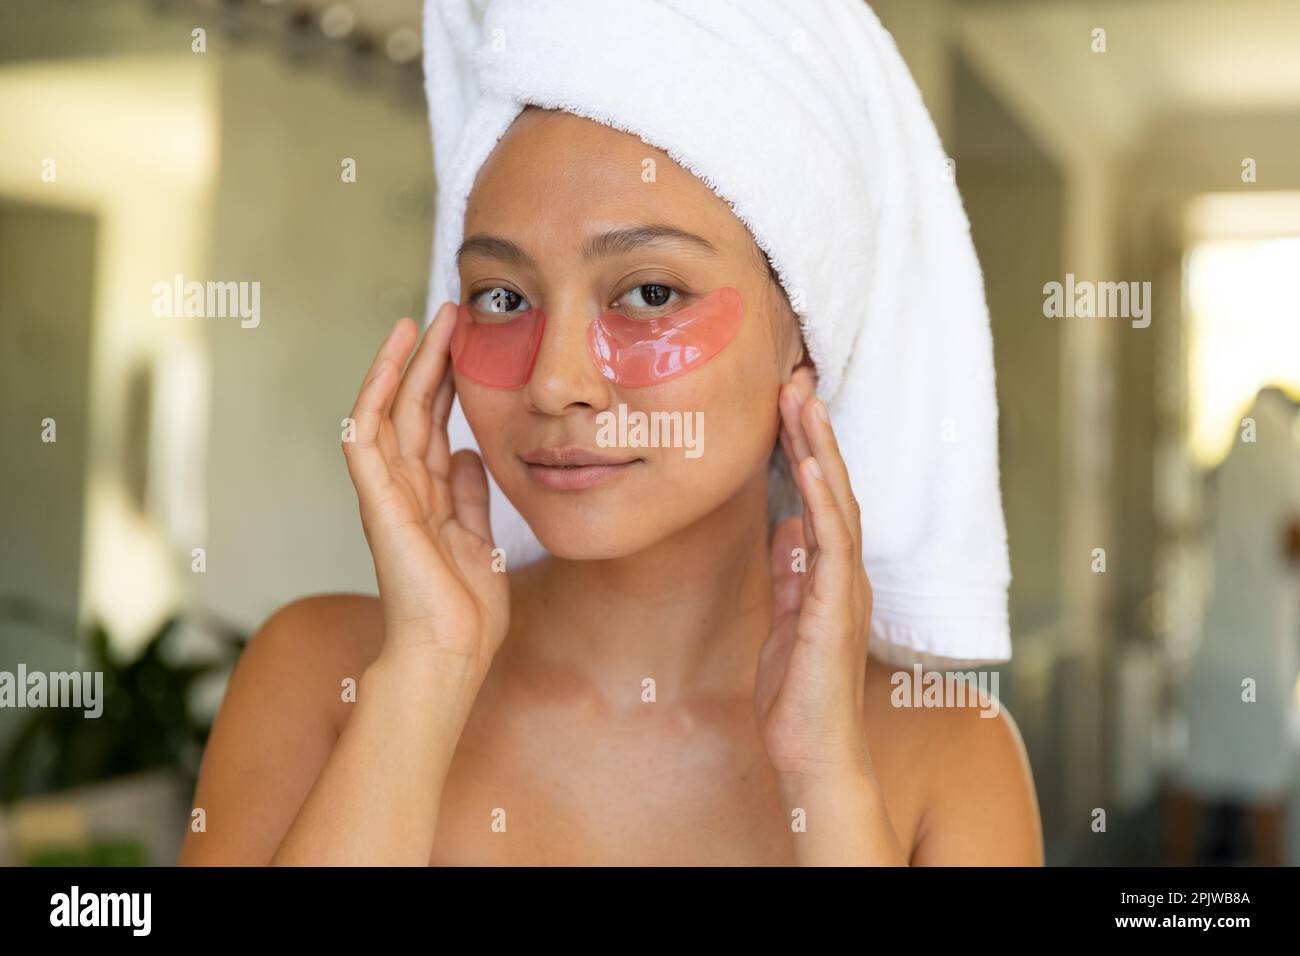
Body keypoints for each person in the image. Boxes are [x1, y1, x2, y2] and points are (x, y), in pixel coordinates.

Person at [180, 0, 1041, 866]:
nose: (555, 382)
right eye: (502, 298)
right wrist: (426, 679)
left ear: (806, 344)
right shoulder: (320, 677)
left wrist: (825, 780)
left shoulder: (948, 755)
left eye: (651, 294)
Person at [1166, 386, 1300, 866]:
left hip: (1215, 651)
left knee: (1196, 776)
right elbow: (1291, 543)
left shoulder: (1236, 457)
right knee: (1265, 787)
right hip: (1258, 661)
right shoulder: (1280, 451)